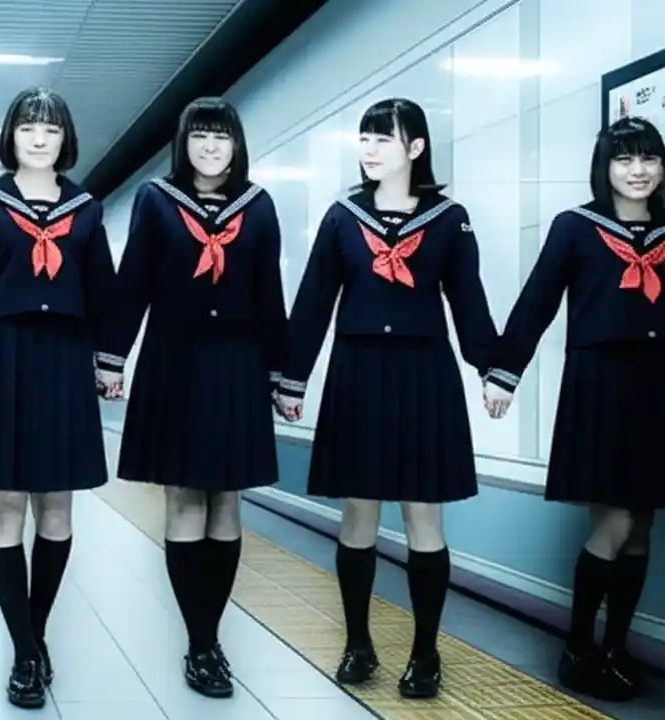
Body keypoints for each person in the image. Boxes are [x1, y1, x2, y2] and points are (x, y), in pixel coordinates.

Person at [274, 98, 498, 699]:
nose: (369, 150)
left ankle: (425, 653)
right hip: (359, 373)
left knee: (424, 516)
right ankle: (358, 644)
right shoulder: (342, 217)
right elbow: (314, 300)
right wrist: (290, 379)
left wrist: (494, 369)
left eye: (382, 139)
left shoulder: (450, 219)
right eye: (364, 139)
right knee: (359, 513)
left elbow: (468, 301)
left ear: (416, 148)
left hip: (426, 375)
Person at [96, 97, 287, 698]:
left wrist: (286, 377)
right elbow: (133, 286)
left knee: (226, 501)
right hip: (173, 362)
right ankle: (200, 641)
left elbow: (269, 293)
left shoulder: (258, 208)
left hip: (237, 363)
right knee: (184, 502)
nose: (210, 147)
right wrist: (112, 358)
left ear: (237, 145)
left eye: (221, 136)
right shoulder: (156, 202)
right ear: (184, 144)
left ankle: (209, 636)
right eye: (200, 136)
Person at [0, 86, 117, 709]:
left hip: (65, 361)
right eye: (27, 128)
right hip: (3, 357)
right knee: (6, 505)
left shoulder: (87, 209)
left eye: (50, 129)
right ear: (10, 136)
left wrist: (110, 361)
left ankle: (34, 633)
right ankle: (24, 651)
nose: (39, 139)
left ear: (66, 138)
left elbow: (105, 292)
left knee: (58, 509)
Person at [482, 116, 663, 702]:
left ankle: (615, 647)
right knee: (613, 521)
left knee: (642, 526)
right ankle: (578, 643)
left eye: (649, 159)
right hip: (601, 385)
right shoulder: (575, 228)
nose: (638, 171)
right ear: (605, 166)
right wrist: (504, 374)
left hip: (659, 388)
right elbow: (536, 301)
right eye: (624, 159)